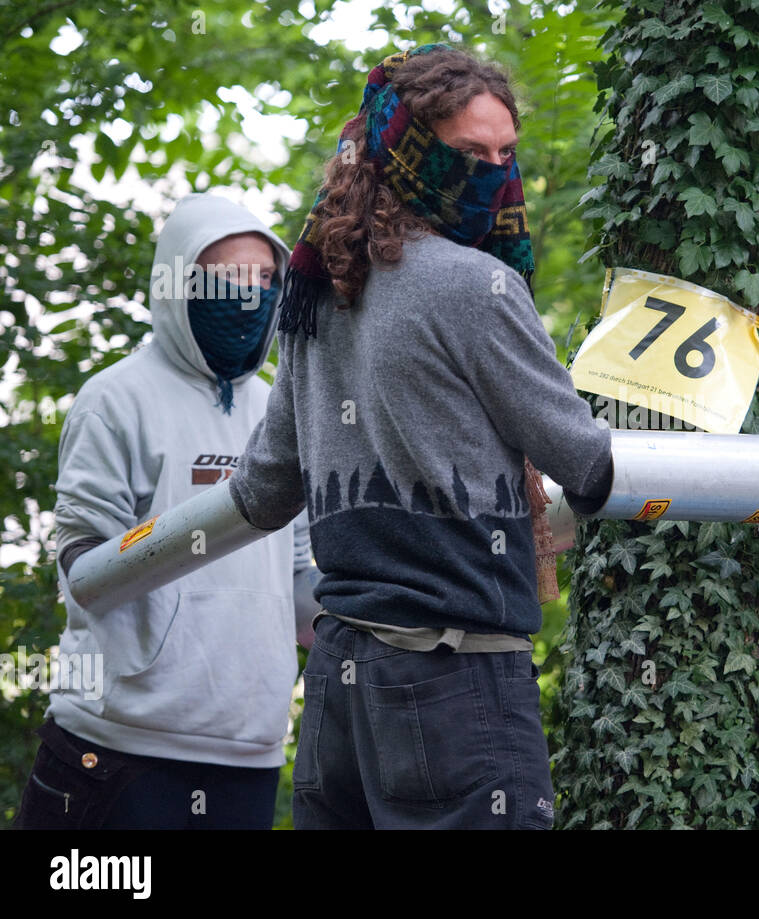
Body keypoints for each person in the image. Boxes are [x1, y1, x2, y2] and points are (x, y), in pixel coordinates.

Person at [225, 43, 614, 830]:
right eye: (470, 153)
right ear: (406, 150)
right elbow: (586, 461)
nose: (494, 173)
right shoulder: (479, 286)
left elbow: (266, 490)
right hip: (454, 681)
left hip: (340, 684)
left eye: (506, 153)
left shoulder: (320, 288)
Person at [17, 193, 319, 829]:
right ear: (181, 282)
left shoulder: (282, 409)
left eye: (266, 279)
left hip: (251, 754)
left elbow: (298, 582)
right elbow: (85, 574)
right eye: (229, 278)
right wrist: (219, 518)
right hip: (116, 747)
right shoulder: (115, 399)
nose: (250, 295)